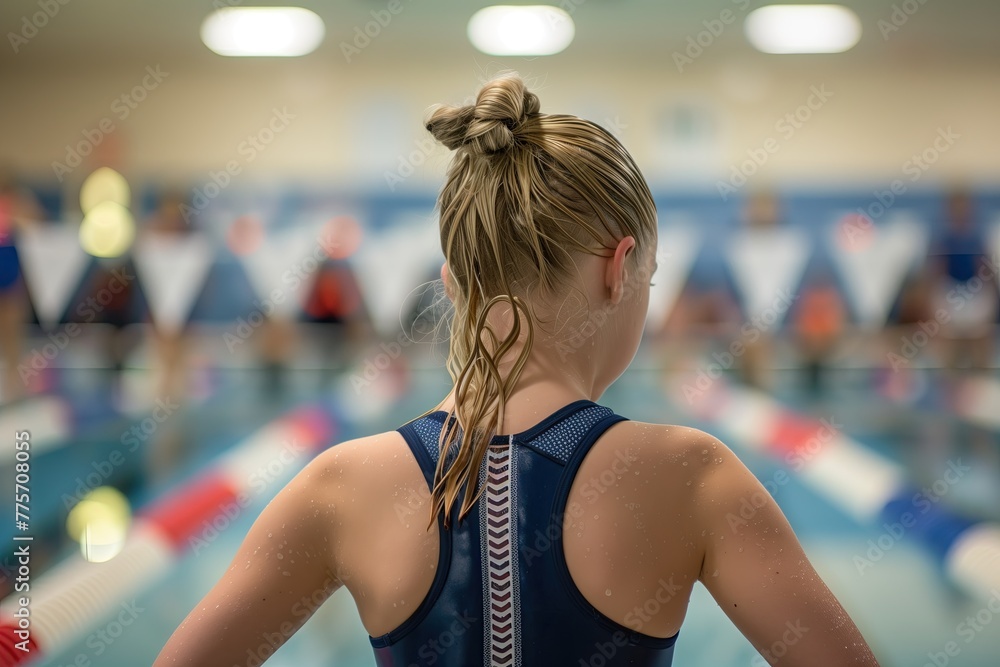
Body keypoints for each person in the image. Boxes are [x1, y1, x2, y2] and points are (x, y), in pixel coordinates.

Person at [154, 73, 880, 666]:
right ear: (620, 269)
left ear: (451, 282)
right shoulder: (693, 475)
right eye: (651, 280)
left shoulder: (340, 487)